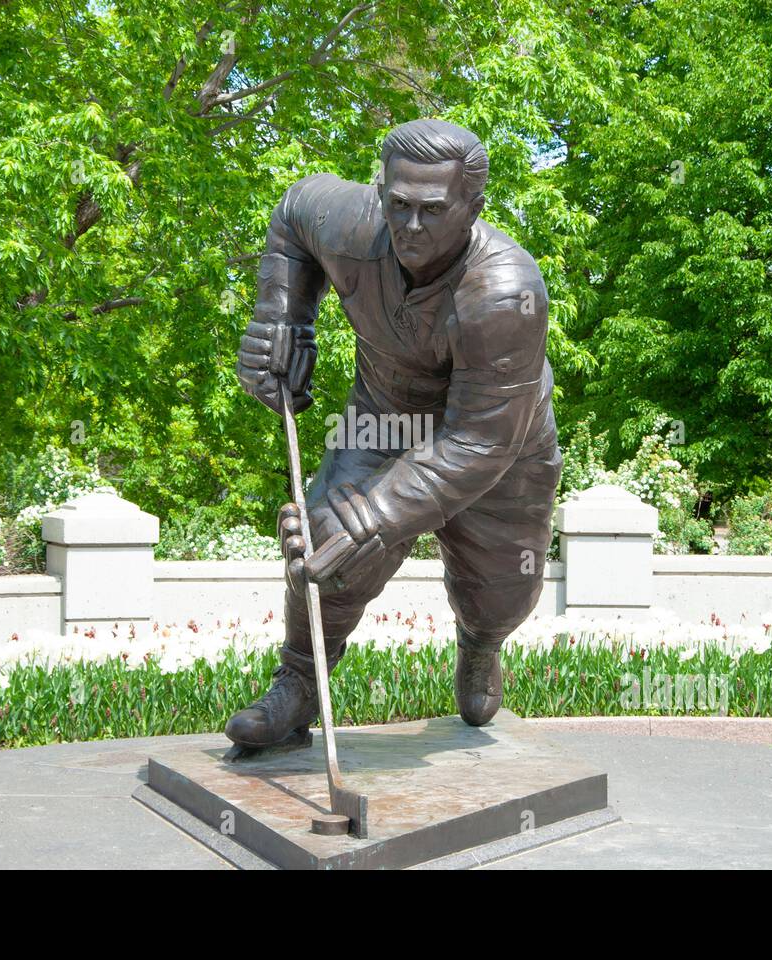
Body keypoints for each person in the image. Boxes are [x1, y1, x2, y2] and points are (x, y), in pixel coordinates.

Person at [227, 118, 561, 750]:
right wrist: (282, 321)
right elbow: (294, 213)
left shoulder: (505, 292)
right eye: (399, 204)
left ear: (472, 208)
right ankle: (299, 682)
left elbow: (478, 441)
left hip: (499, 440)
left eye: (431, 210)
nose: (410, 226)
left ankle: (481, 641)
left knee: (504, 590)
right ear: (381, 191)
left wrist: (377, 516)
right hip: (384, 414)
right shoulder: (347, 222)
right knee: (327, 539)